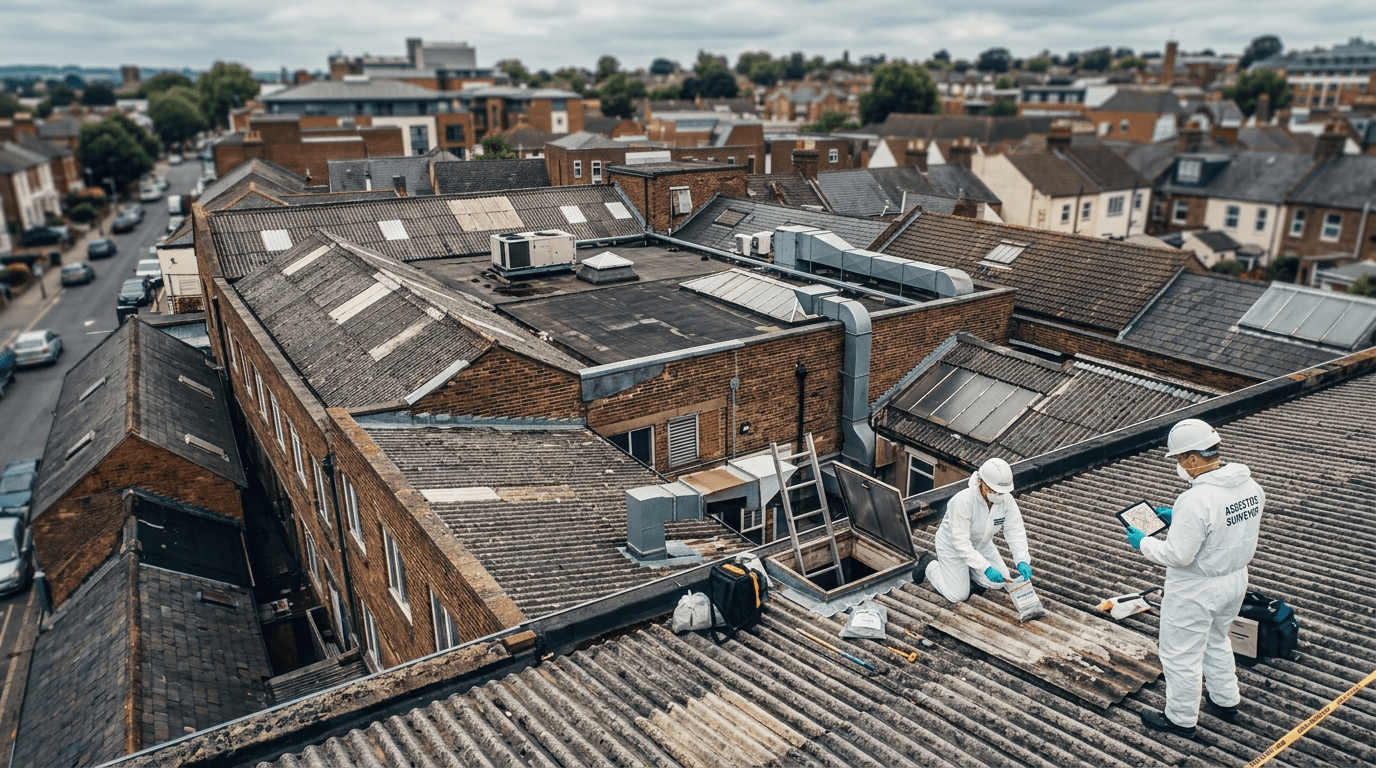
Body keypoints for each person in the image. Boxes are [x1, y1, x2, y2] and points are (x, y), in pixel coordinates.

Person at [1127, 418, 1263, 739]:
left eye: (1178, 460)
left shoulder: (1195, 499)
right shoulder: (1250, 487)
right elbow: (1224, 528)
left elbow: (1178, 555)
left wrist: (1142, 542)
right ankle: (1226, 701)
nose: (1178, 466)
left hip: (1196, 589)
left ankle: (1181, 719)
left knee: (1181, 655)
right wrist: (1180, 521)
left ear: (1191, 458)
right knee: (1217, 640)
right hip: (1234, 580)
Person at [916, 457, 1032, 603]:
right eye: (993, 490)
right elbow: (961, 543)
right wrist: (985, 567)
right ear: (981, 481)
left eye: (1000, 492)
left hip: (981, 545)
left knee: (1001, 581)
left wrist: (1022, 559)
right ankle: (929, 564)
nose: (997, 495)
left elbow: (1015, 530)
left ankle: (968, 572)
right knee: (958, 596)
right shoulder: (964, 501)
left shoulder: (1006, 500)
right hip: (952, 548)